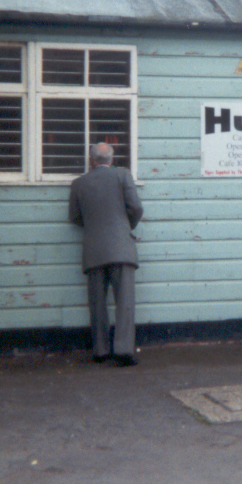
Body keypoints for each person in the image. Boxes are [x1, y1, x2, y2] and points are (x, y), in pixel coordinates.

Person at [68, 142, 144, 366]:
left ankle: (100, 350)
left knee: (97, 303)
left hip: (94, 249)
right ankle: (123, 350)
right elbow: (136, 208)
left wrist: (94, 226)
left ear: (91, 160)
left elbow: (74, 217)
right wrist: (125, 227)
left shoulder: (78, 184)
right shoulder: (123, 175)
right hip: (121, 247)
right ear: (111, 159)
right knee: (125, 302)